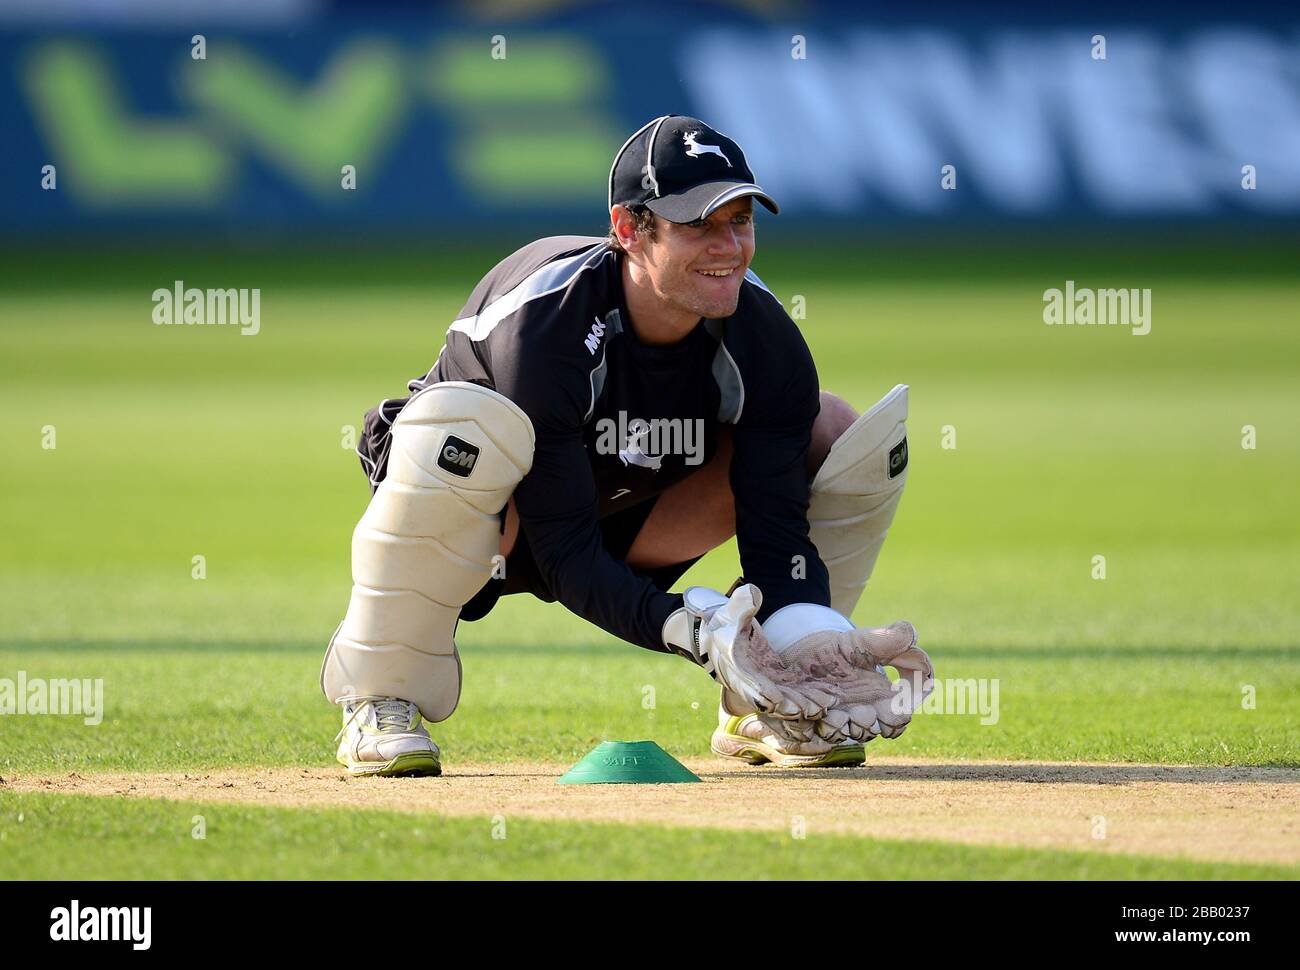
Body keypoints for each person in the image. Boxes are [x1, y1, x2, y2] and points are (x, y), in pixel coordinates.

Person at [321, 115, 931, 777]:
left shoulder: (764, 339)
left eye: (741, 221)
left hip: (622, 504)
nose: (728, 247)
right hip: (483, 509)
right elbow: (564, 552)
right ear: (628, 230)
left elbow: (777, 535)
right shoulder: (545, 326)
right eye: (699, 225)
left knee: (832, 429)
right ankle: (383, 694)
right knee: (462, 432)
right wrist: (693, 630)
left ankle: (766, 701)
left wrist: (808, 635)